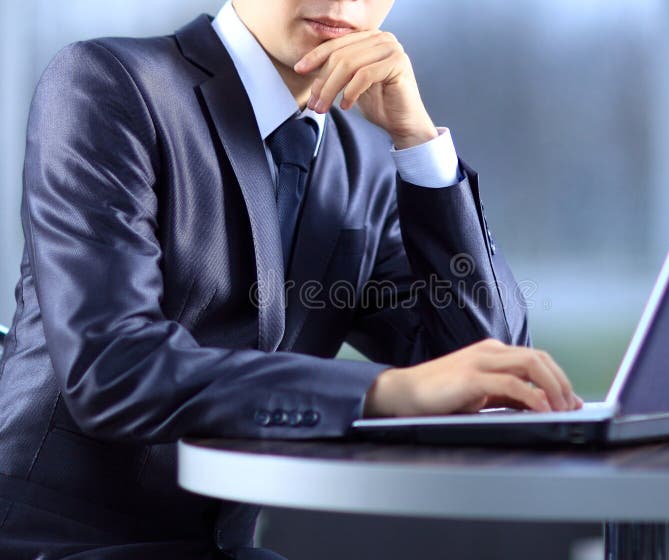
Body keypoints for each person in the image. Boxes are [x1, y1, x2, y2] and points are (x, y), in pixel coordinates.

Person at [0, 0, 582, 558]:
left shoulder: (363, 163)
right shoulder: (109, 85)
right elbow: (113, 367)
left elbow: (486, 362)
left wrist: (420, 143)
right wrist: (380, 393)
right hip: (55, 542)